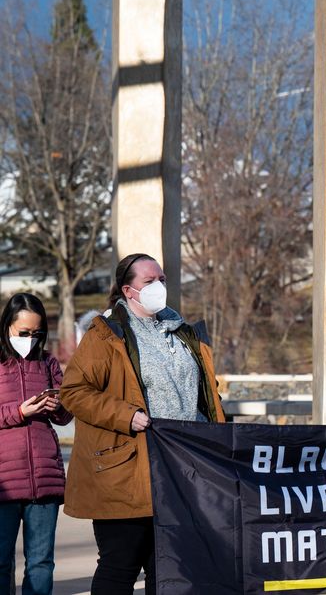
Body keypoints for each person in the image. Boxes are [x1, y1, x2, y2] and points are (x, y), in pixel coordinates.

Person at [61, 254, 227, 594]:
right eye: (150, 281)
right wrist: (125, 415)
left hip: (179, 469)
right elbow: (74, 392)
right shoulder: (106, 334)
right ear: (128, 289)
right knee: (120, 566)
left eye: (162, 280)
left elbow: (206, 394)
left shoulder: (183, 331)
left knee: (167, 569)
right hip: (126, 470)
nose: (159, 287)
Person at [0, 293, 71, 594]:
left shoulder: (48, 363)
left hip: (45, 479)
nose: (30, 339)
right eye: (24, 333)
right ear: (7, 327)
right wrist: (19, 412)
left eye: (37, 333)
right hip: (4, 479)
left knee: (41, 561)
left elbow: (66, 416)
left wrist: (56, 405)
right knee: (1, 562)